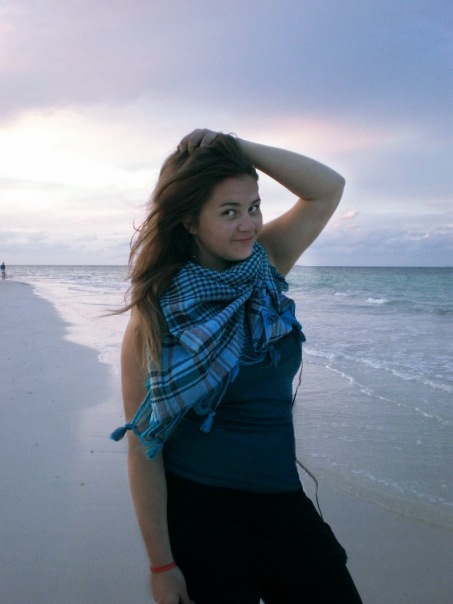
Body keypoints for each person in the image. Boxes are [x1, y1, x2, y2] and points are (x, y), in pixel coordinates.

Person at [112, 129, 363, 603]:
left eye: (254, 207)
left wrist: (234, 145)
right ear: (189, 220)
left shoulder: (265, 265)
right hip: (201, 515)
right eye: (229, 211)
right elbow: (144, 446)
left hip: (283, 502)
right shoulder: (156, 315)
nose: (248, 224)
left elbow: (327, 188)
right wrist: (162, 566)